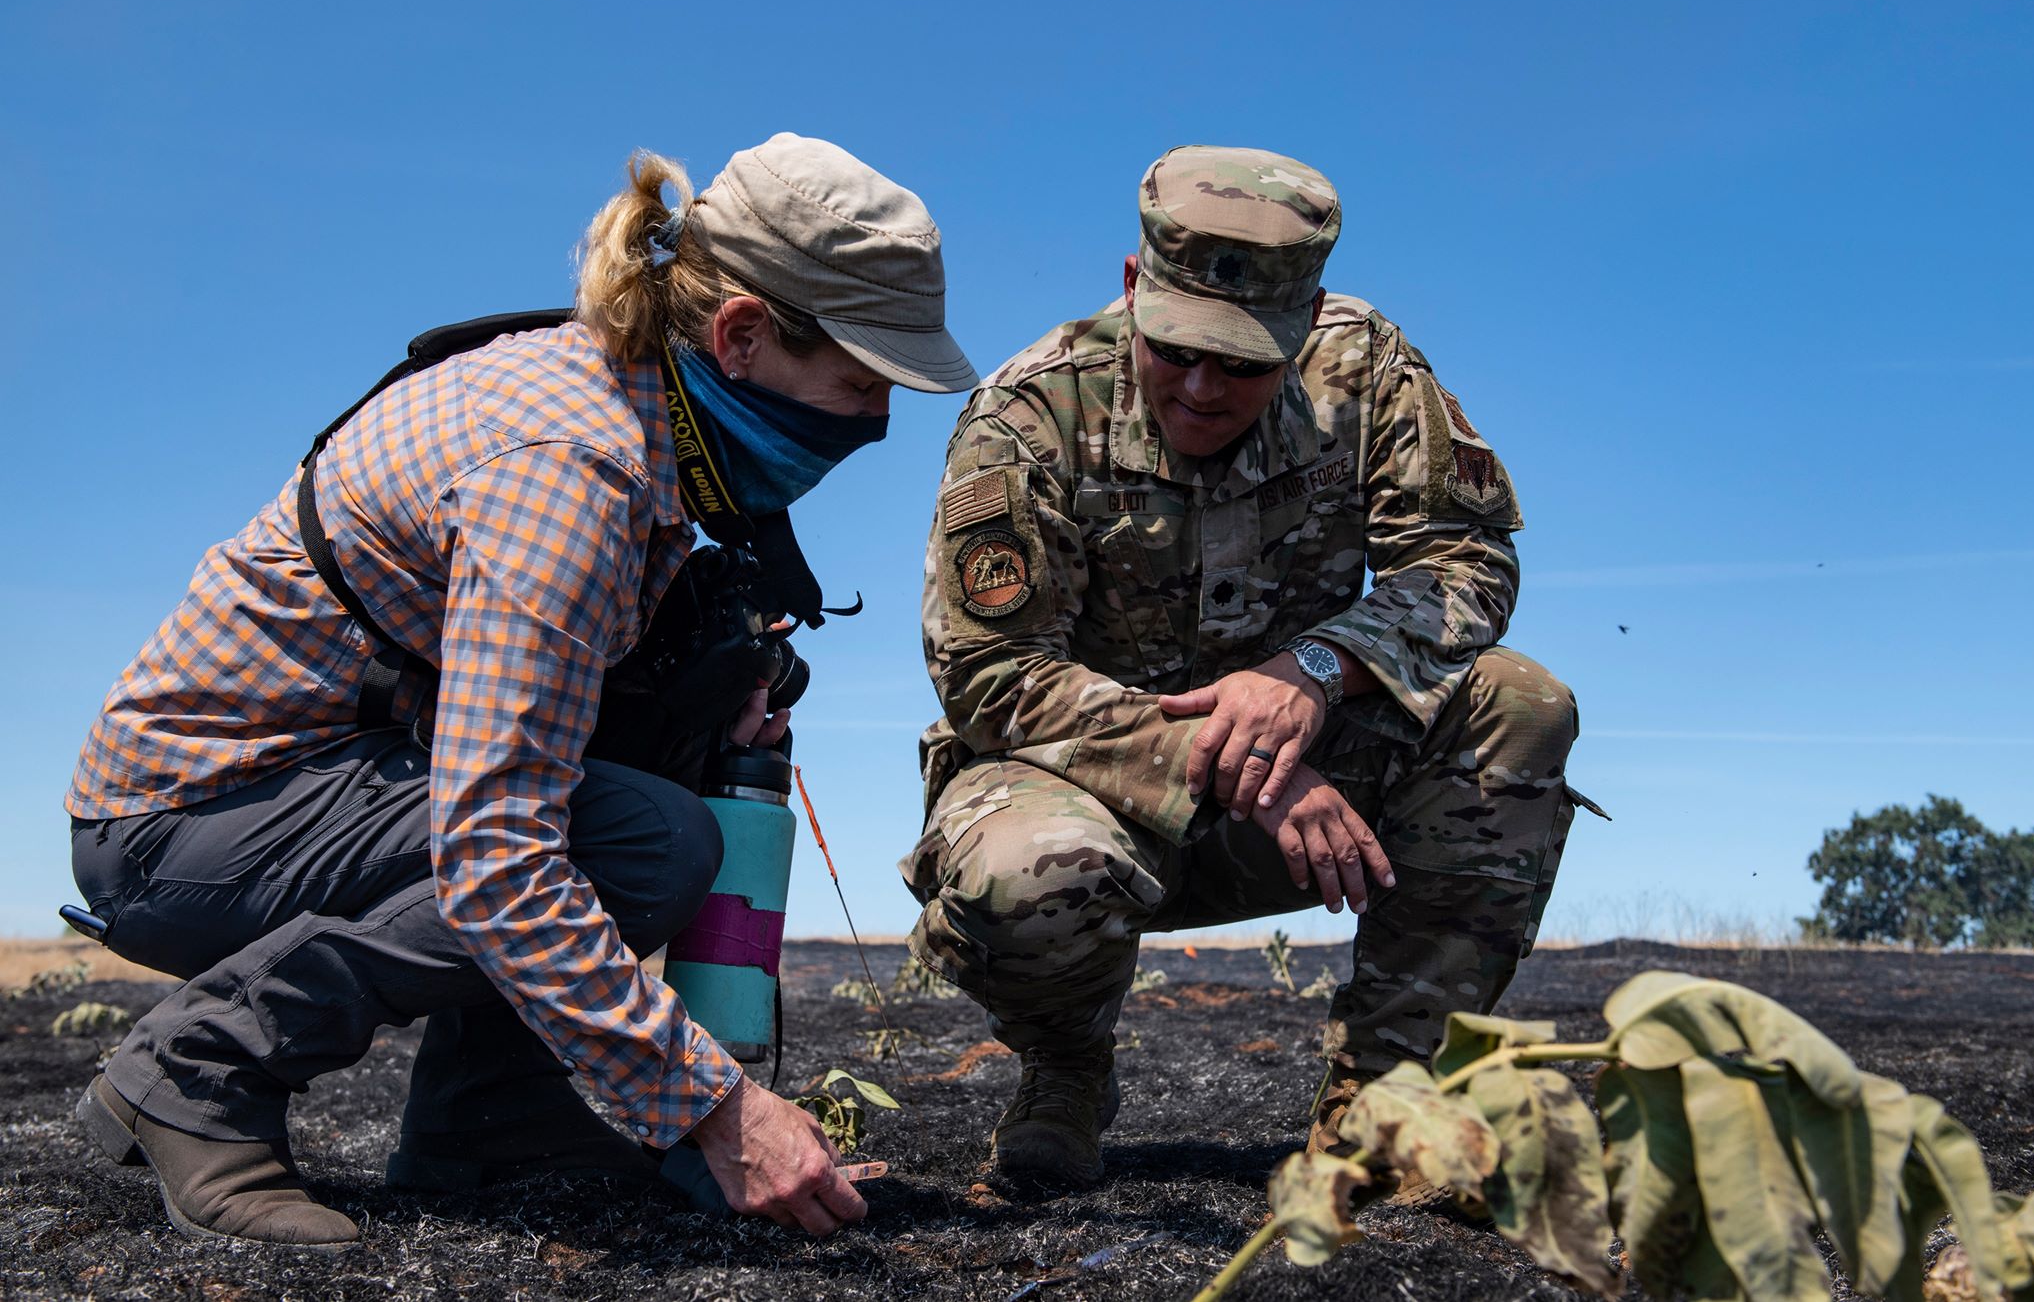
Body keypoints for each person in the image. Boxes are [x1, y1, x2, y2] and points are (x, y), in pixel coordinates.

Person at [65, 133, 977, 1247]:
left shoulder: (628, 408)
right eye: (859, 381)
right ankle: (195, 1063)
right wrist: (718, 1107)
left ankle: (492, 1129)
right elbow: (496, 852)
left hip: (310, 788)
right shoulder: (569, 467)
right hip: (190, 821)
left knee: (651, 801)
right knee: (645, 845)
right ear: (739, 335)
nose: (872, 420)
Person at [902, 145, 1595, 1189]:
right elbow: (991, 670)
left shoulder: (1367, 370)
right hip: (1087, 799)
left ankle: (1382, 1110)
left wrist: (1317, 669)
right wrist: (1239, 761)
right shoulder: (1029, 415)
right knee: (1016, 875)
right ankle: (1067, 1074)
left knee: (1520, 704)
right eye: (1175, 347)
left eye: (1241, 361)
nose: (1198, 387)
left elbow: (1466, 559)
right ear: (1132, 286)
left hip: (1322, 788)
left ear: (1307, 319)